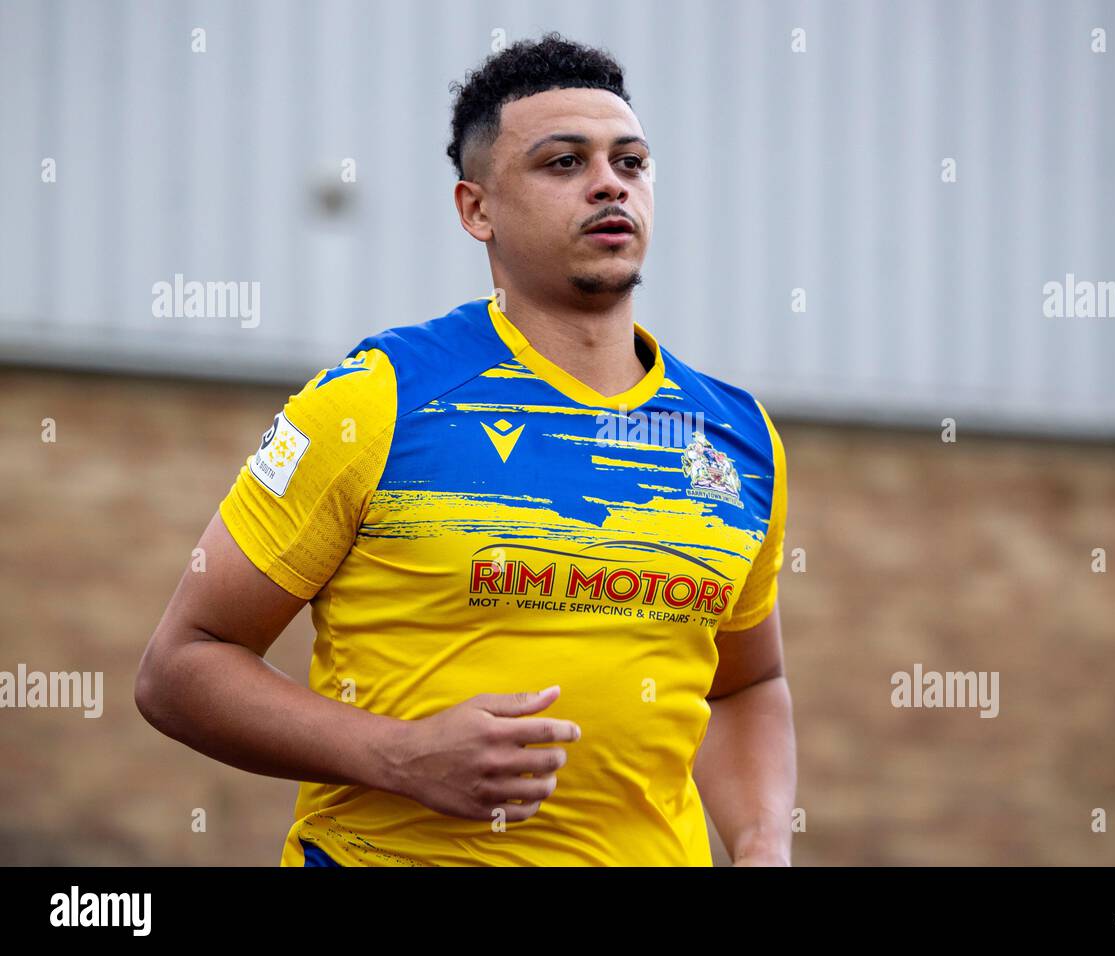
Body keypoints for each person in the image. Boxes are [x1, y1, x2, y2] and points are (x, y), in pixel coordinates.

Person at [134, 31, 795, 867]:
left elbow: (746, 684)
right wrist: (398, 757)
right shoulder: (376, 399)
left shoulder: (736, 436)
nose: (608, 183)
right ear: (475, 208)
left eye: (631, 162)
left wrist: (765, 843)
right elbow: (180, 667)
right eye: (563, 163)